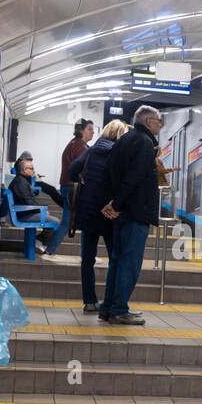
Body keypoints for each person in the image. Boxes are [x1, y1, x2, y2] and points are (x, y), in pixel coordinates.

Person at [99, 105, 162, 325]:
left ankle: (107, 308)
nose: (160, 125)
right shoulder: (144, 143)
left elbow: (110, 173)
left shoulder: (124, 140)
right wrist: (116, 203)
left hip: (123, 211)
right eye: (158, 121)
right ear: (149, 122)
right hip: (136, 211)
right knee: (130, 263)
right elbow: (134, 178)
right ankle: (118, 310)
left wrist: (114, 203)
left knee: (117, 261)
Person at [68, 119, 126, 313]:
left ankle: (90, 301)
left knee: (87, 259)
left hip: (88, 211)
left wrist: (88, 182)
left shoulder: (92, 150)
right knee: (115, 258)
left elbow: (72, 170)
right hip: (109, 212)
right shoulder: (118, 153)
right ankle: (110, 302)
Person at [51, 118, 94, 253]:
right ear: (81, 130)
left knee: (68, 221)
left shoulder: (75, 144)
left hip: (68, 186)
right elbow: (83, 169)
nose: (92, 132)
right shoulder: (80, 146)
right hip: (72, 187)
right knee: (68, 221)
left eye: (93, 130)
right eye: (90, 129)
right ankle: (50, 248)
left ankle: (49, 248)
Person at [8, 154, 65, 256]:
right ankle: (38, 241)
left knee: (53, 220)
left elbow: (28, 200)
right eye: (31, 168)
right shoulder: (20, 182)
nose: (34, 171)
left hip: (25, 212)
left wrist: (41, 210)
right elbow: (27, 201)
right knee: (56, 222)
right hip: (24, 215)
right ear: (24, 170)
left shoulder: (21, 180)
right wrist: (41, 210)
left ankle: (38, 241)